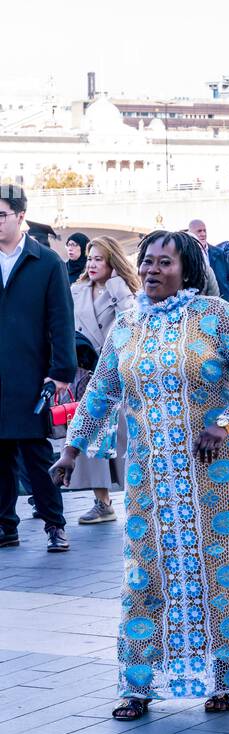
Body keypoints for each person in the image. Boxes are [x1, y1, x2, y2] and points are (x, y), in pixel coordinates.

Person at [50, 230, 229, 719]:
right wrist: (71, 451)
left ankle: (226, 679)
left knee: (223, 574)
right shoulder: (128, 325)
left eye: (165, 261)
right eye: (148, 261)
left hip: (216, 476)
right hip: (151, 479)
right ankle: (138, 684)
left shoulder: (214, 316)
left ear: (189, 269)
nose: (154, 269)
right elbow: (101, 391)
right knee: (146, 573)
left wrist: (226, 423)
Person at [0, 184, 76, 553]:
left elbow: (62, 319)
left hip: (31, 374)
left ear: (20, 216)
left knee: (36, 454)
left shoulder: (45, 261)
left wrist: (61, 371)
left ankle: (55, 525)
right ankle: (5, 526)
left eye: (1, 215)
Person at [69, 237, 138, 524]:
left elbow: (131, 322)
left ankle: (134, 498)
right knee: (93, 433)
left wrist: (118, 287)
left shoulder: (126, 291)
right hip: (89, 373)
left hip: (120, 371)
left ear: (113, 261)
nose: (92, 264)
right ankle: (102, 501)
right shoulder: (77, 290)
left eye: (99, 258)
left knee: (124, 438)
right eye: (90, 258)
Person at [189, 218, 229, 299]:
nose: (203, 234)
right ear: (191, 233)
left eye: (204, 230)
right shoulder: (187, 255)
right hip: (199, 304)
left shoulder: (219, 253)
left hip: (223, 301)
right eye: (199, 231)